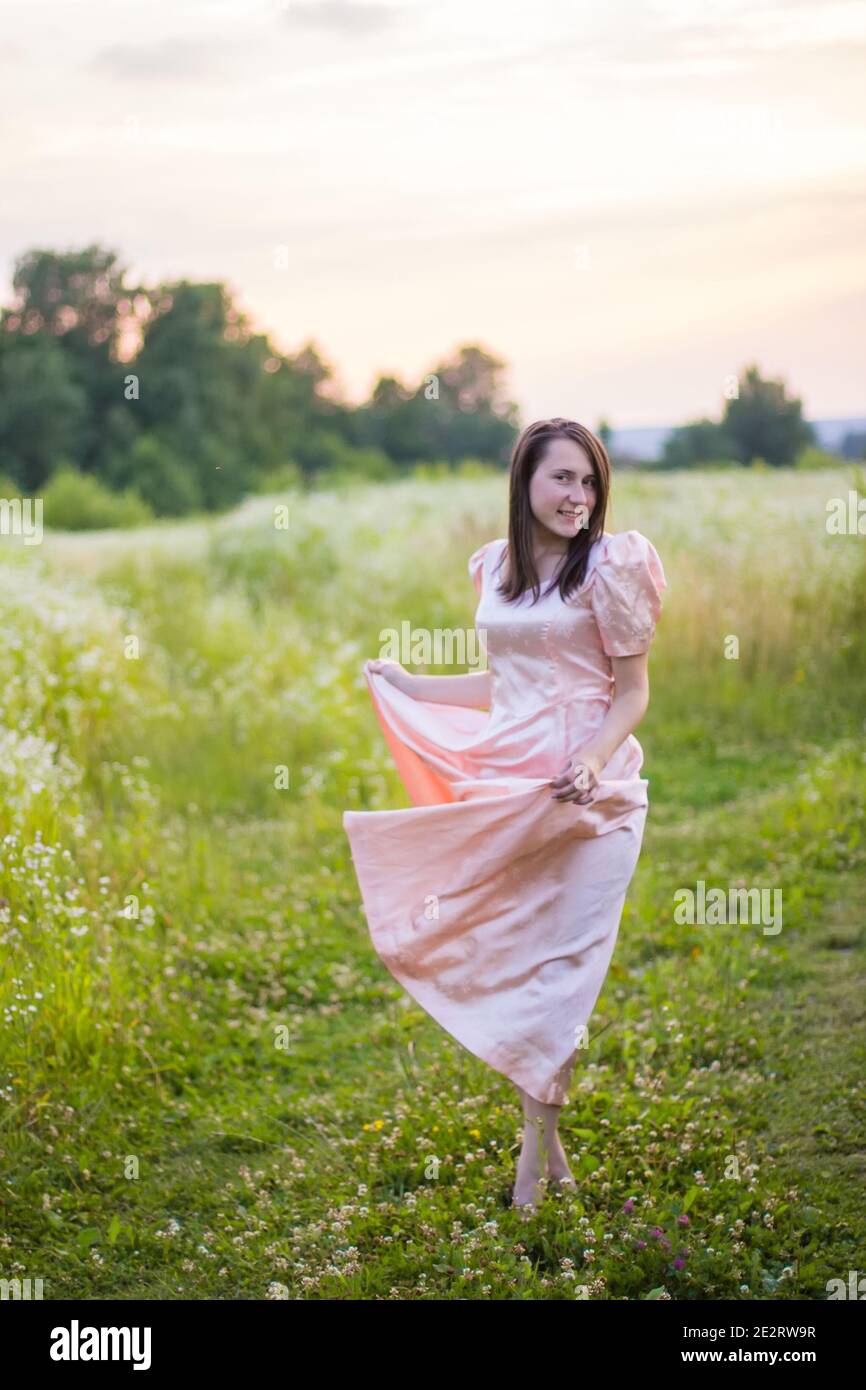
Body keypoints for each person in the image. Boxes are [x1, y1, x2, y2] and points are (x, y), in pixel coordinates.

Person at [342, 417, 667, 1210]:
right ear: (524, 481)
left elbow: (631, 693)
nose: (579, 497)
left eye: (589, 481)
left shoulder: (612, 567)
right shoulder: (496, 570)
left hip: (592, 797)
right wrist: (413, 684)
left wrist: (589, 761)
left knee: (560, 982)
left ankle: (530, 1173)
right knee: (511, 965)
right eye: (563, 479)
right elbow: (506, 682)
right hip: (508, 793)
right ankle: (554, 1159)